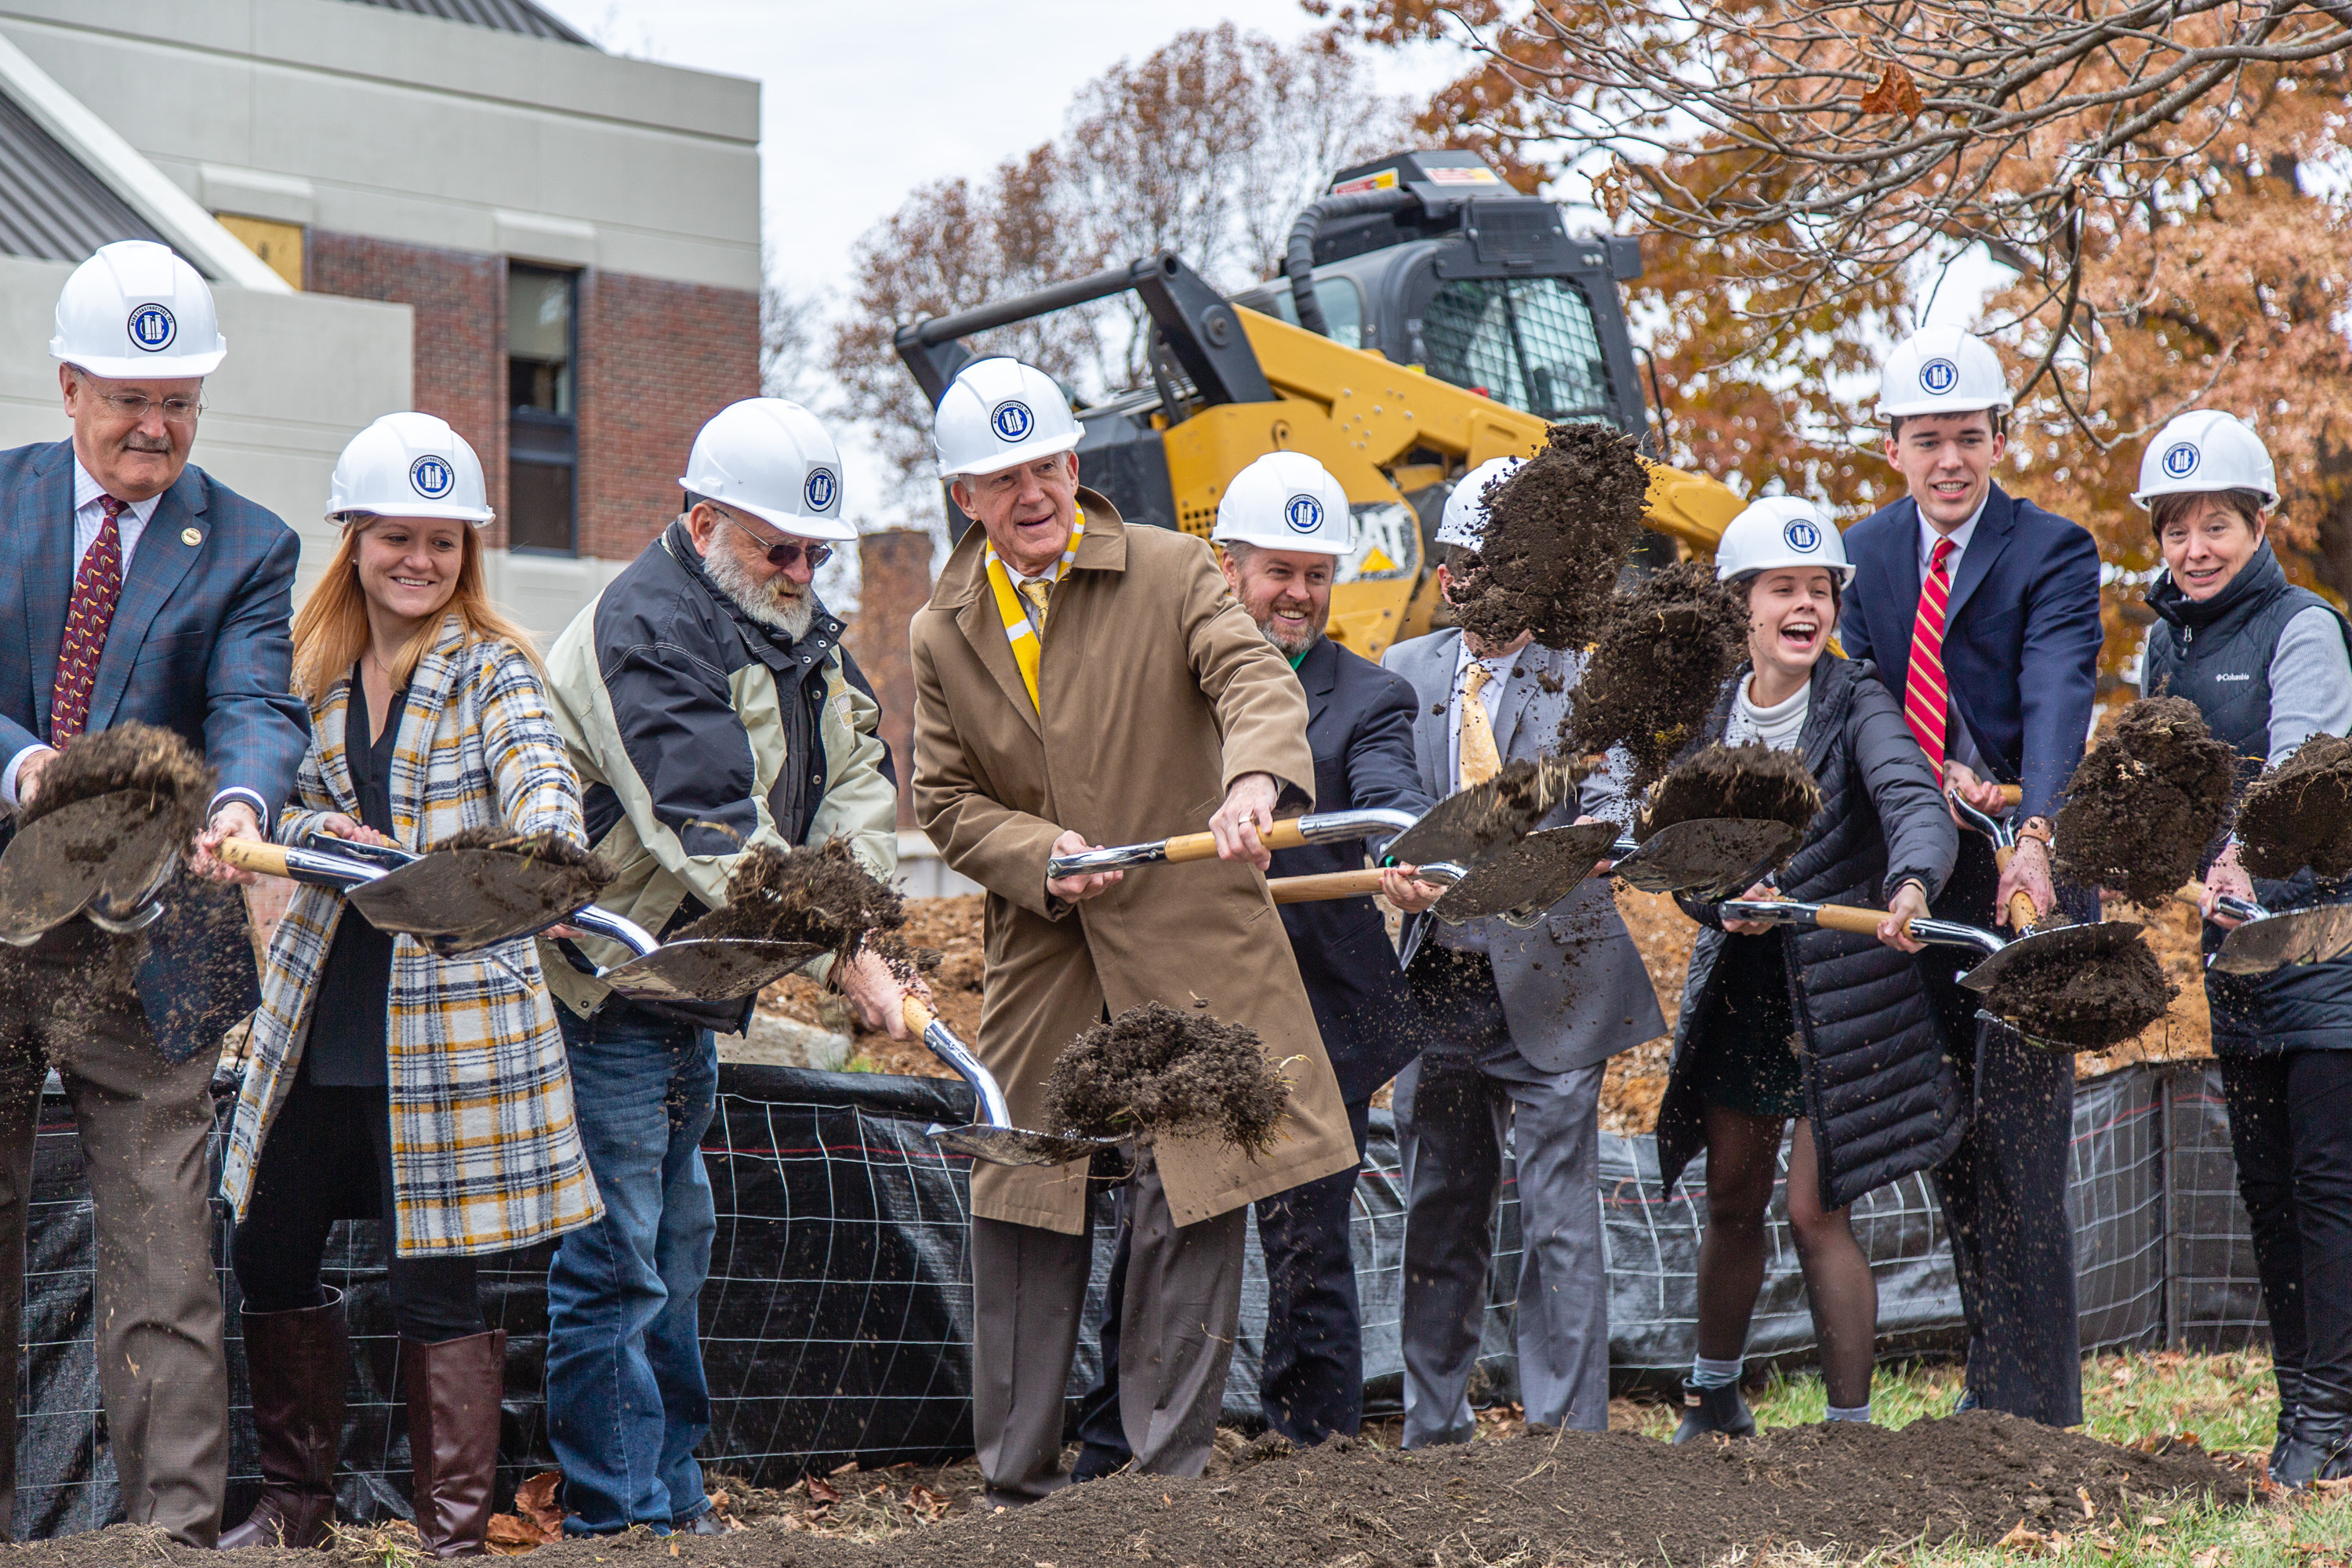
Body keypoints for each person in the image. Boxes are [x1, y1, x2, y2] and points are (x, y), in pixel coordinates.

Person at [909, 358, 1357, 1507]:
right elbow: (948, 804)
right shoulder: (940, 631)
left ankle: (1160, 1490)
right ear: (966, 495)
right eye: (1003, 479)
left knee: (1191, 1193)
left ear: (1075, 465)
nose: (1035, 493)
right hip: (1046, 959)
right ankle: (1013, 1488)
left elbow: (1254, 676)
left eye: (1049, 465)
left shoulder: (1169, 570)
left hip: (1190, 948)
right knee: (1025, 1199)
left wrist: (1256, 781)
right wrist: (1036, 856)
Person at [216, 414, 604, 1555]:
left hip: (446, 1020)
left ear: (467, 554)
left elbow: (540, 780)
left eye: (443, 543)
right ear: (356, 540)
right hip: (325, 1009)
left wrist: (539, 858)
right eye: (397, 538)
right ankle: (296, 1507)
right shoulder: (315, 672)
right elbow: (274, 796)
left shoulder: (492, 670)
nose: (420, 562)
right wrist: (304, 825)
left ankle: (449, 1534)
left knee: (432, 1278)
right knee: (271, 1246)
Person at [535, 398, 905, 1537]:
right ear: (702, 524)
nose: (799, 572)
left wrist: (863, 921)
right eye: (775, 547)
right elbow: (703, 831)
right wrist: (844, 956)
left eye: (812, 552)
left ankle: (673, 1499)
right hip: (609, 989)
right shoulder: (645, 627)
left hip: (691, 989)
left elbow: (862, 787)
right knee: (618, 1263)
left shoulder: (805, 639)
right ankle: (617, 1520)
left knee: (678, 1257)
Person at [0, 241, 307, 1546]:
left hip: (155, 939)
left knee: (166, 1252)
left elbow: (254, 703)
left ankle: (168, 1537)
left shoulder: (246, 544)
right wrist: (24, 768)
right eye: (130, 398)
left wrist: (240, 808)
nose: (155, 425)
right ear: (68, 387)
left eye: (179, 399)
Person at [1072, 452, 1432, 1468]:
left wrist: (1404, 850)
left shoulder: (1370, 695)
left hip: (1317, 999)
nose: (1300, 595)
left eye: (1317, 574)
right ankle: (1116, 1441)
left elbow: (1389, 792)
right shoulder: (1164, 679)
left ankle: (1312, 1443)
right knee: (1162, 1214)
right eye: (1280, 570)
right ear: (1226, 568)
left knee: (1310, 1227)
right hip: (1179, 988)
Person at [1838, 326, 2103, 1426]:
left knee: (2022, 1143)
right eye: (1927, 440)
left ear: (2001, 438)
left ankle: (2042, 1410)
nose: (1950, 461)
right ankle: (1993, 1395)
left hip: (2023, 880)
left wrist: (2035, 827)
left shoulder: (2052, 549)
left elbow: (2056, 691)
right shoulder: (1863, 555)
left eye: (1969, 438)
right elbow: (1853, 708)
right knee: (1953, 1139)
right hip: (1924, 885)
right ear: (1893, 446)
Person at [1652, 498, 1962, 1439]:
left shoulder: (1856, 699)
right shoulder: (1711, 711)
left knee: (1814, 1206)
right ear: (1743, 602)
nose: (1804, 605)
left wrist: (1911, 886)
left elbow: (1914, 798)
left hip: (1840, 990)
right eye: (1782, 588)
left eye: (1818, 589)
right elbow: (1679, 850)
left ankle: (1851, 1427)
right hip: (1743, 985)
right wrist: (1715, 903)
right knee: (1732, 1194)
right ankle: (1713, 1397)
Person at [1377, 456, 1667, 1444]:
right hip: (1440, 985)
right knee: (1440, 1210)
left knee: (1558, 1217)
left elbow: (1615, 813)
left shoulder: (1591, 675)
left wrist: (1591, 844)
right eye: (1475, 561)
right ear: (1452, 572)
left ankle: (1568, 1444)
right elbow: (1386, 809)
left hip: (1558, 981)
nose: (1491, 580)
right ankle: (1432, 1427)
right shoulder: (1404, 675)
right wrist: (1395, 860)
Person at [2129, 412, 2352, 1487]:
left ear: (2259, 521)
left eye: (2217, 523)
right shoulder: (2165, 640)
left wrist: (2247, 864)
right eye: (2177, 528)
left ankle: (2325, 1421)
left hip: (2326, 946)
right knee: (2265, 1190)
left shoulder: (2305, 627)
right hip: (2237, 961)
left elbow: (2305, 769)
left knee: (2327, 1186)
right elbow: (2157, 785)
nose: (2196, 548)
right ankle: (2306, 1406)